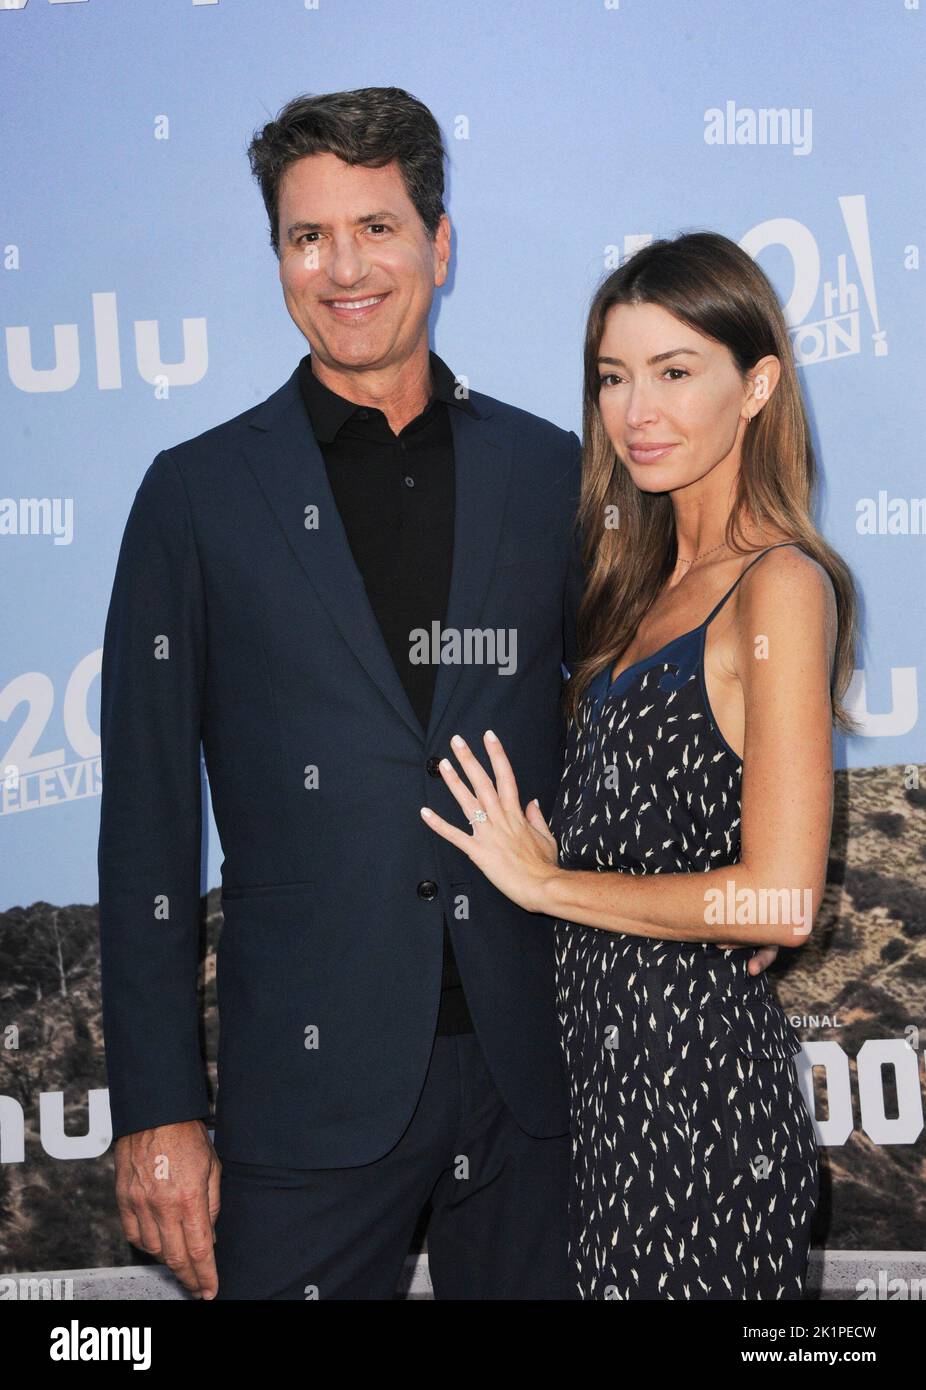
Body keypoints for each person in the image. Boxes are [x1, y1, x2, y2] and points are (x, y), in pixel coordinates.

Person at [97, 88, 778, 1302]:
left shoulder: (553, 475)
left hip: (543, 1077)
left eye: (375, 227)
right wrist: (157, 1107)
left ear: (439, 245)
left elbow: (653, 705)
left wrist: (734, 885)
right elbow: (145, 825)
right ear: (277, 259)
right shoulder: (194, 496)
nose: (342, 267)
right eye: (307, 237)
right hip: (304, 1098)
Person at [421, 231, 859, 1299]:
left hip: (699, 1112)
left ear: (755, 385)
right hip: (601, 1109)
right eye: (612, 378)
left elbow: (777, 896)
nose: (635, 411)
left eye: (673, 372)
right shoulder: (631, 595)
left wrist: (546, 883)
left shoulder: (777, 586)